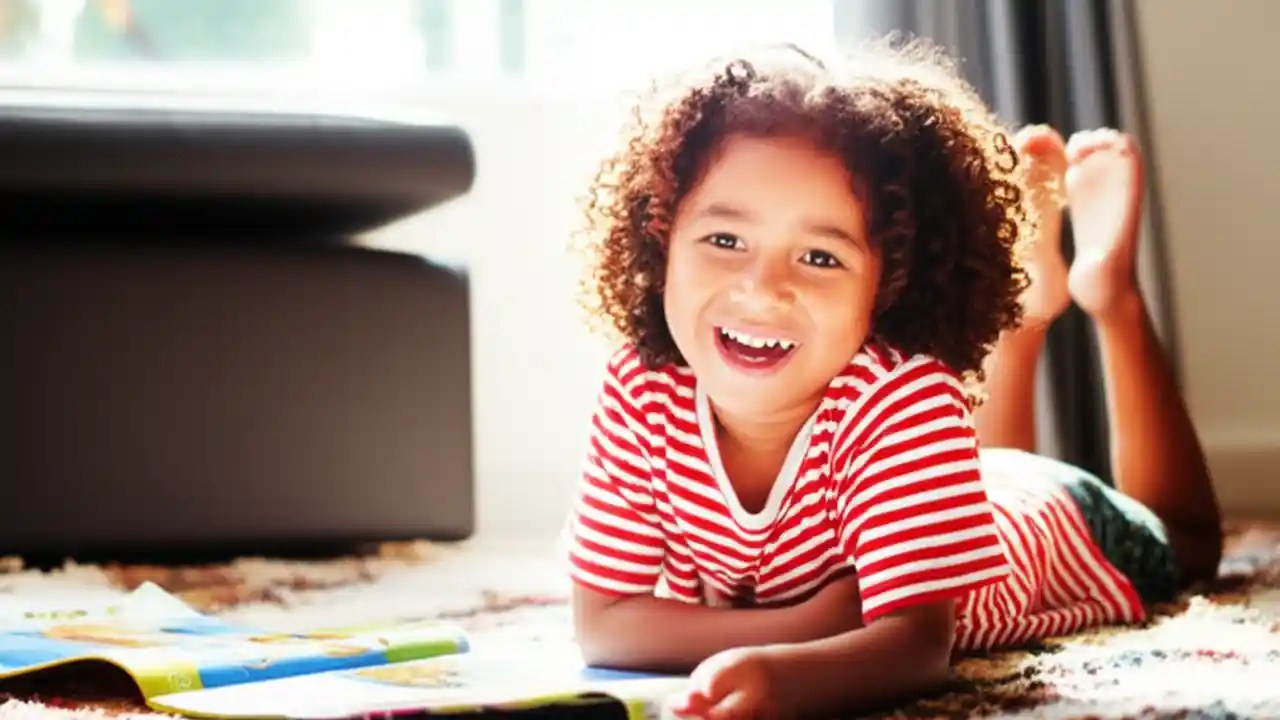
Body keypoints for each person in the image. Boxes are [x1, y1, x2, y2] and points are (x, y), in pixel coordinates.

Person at [564, 40, 1223, 720]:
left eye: (820, 256)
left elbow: (917, 647)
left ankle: (1108, 294)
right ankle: (1027, 317)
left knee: (1190, 545)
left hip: (1055, 521)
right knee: (988, 462)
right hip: (959, 486)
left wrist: (786, 676)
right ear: (660, 238)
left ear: (889, 285)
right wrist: (805, 628)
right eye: (725, 240)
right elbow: (605, 624)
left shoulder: (903, 395)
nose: (762, 290)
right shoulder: (640, 386)